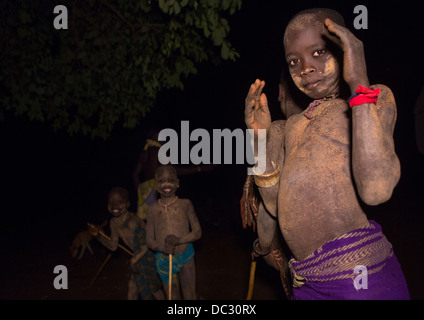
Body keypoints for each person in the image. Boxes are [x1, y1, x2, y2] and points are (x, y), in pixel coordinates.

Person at [244, 8, 410, 299]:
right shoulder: (292, 127)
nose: (305, 67)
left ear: (345, 48)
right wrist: (258, 138)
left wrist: (358, 80)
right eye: (294, 60)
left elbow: (376, 190)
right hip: (306, 283)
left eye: (318, 52)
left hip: (360, 278)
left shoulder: (373, 98)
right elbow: (273, 205)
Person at [88, 187, 164, 300]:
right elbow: (113, 246)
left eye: (119, 202)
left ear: (127, 204)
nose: (115, 206)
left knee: (154, 289)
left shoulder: (133, 221)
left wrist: (136, 258)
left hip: (148, 256)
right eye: (111, 203)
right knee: (133, 287)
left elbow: (148, 242)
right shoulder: (114, 222)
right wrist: (98, 236)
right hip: (137, 257)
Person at [146, 165, 202, 300]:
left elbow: (197, 232)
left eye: (170, 180)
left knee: (190, 296)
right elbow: (149, 240)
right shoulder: (152, 210)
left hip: (186, 256)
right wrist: (162, 248)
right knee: (172, 297)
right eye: (161, 181)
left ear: (177, 183)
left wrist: (179, 240)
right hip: (164, 259)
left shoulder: (185, 204)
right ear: (155, 185)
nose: (166, 184)